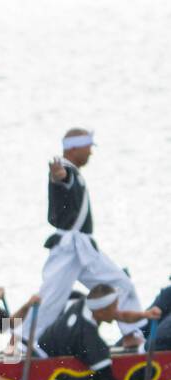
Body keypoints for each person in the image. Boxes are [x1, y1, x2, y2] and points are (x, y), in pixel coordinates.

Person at [29, 128, 149, 348]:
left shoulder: (73, 171)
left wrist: (61, 175)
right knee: (51, 299)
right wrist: (58, 175)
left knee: (120, 284)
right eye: (88, 148)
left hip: (82, 248)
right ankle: (22, 342)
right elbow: (61, 179)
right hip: (68, 249)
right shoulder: (66, 169)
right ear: (74, 148)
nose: (91, 153)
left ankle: (131, 334)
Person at [36, 285, 157, 380]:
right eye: (114, 307)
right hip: (44, 361)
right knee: (100, 367)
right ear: (100, 312)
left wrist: (145, 315)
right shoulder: (90, 339)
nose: (117, 310)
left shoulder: (86, 303)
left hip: (44, 344)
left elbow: (120, 315)